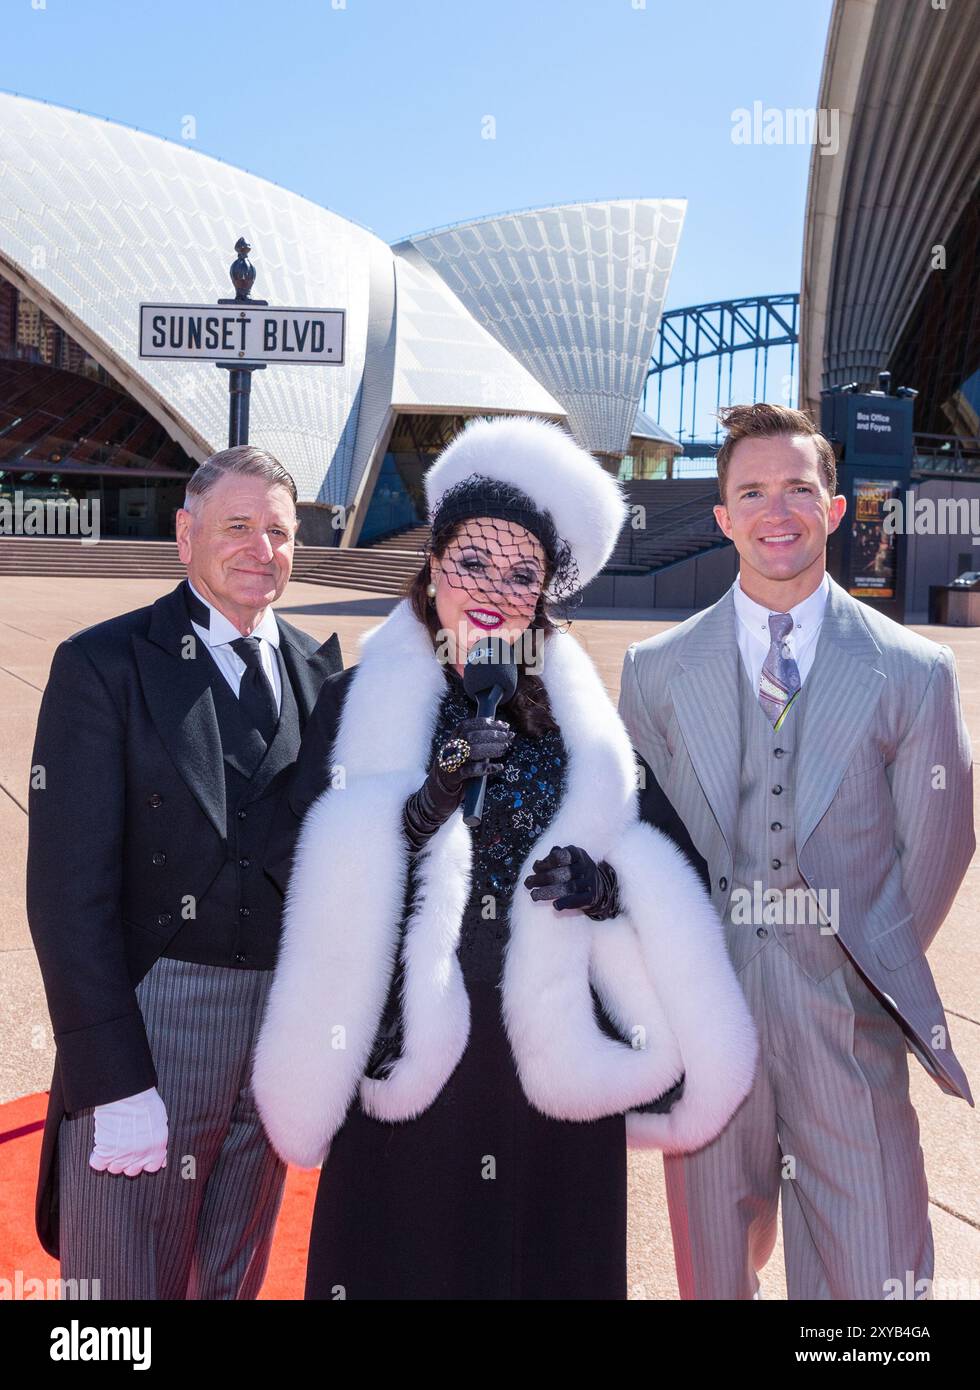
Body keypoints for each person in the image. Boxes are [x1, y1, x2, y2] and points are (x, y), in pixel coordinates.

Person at [253, 414, 757, 1300]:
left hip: (544, 1071)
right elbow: (292, 861)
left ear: (545, 596)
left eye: (522, 573)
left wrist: (606, 892)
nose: (493, 588)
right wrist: (412, 816)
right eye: (473, 562)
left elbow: (672, 870)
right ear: (435, 565)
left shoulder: (582, 724)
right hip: (415, 1053)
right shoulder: (352, 704)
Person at [618, 402, 975, 1301]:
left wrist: (856, 962)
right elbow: (640, 843)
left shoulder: (914, 670)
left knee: (876, 1281)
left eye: (798, 490)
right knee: (711, 1272)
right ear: (723, 516)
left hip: (847, 1026)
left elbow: (937, 843)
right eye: (753, 492)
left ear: (836, 507)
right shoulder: (656, 671)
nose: (777, 512)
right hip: (708, 1027)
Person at [26, 445, 342, 1298]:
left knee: (231, 1273)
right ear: (185, 534)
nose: (260, 548)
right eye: (236, 526)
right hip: (153, 1018)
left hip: (276, 1022)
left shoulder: (323, 674)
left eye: (278, 530)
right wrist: (111, 1077)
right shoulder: (105, 665)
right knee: (119, 1286)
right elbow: (66, 898)